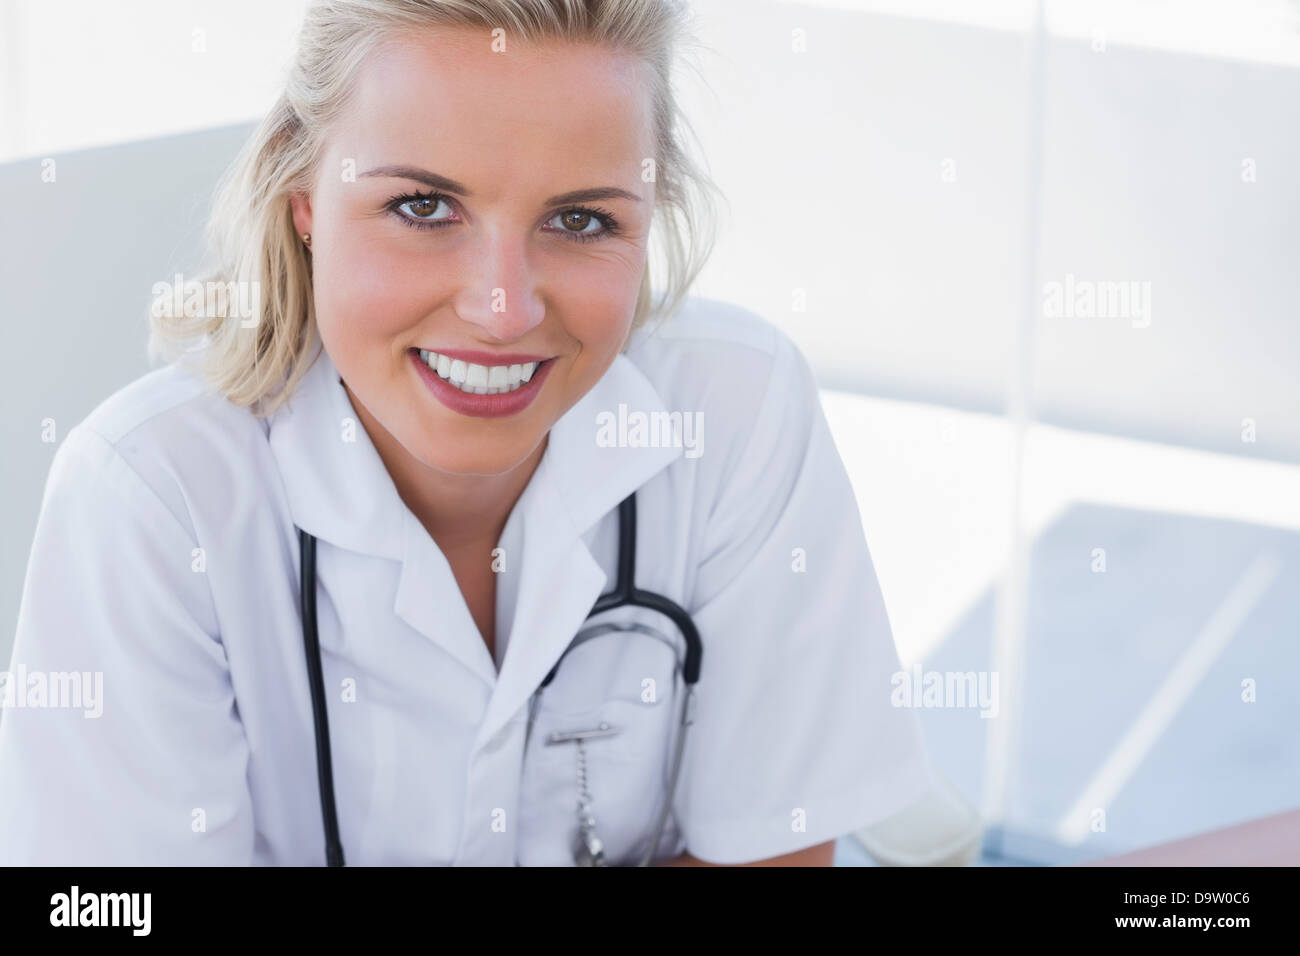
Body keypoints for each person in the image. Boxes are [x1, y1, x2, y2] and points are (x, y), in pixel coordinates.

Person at [0, 0, 932, 866]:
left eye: (580, 219)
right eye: (422, 207)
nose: (501, 310)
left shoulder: (737, 408)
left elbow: (778, 848)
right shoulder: (149, 497)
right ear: (307, 202)